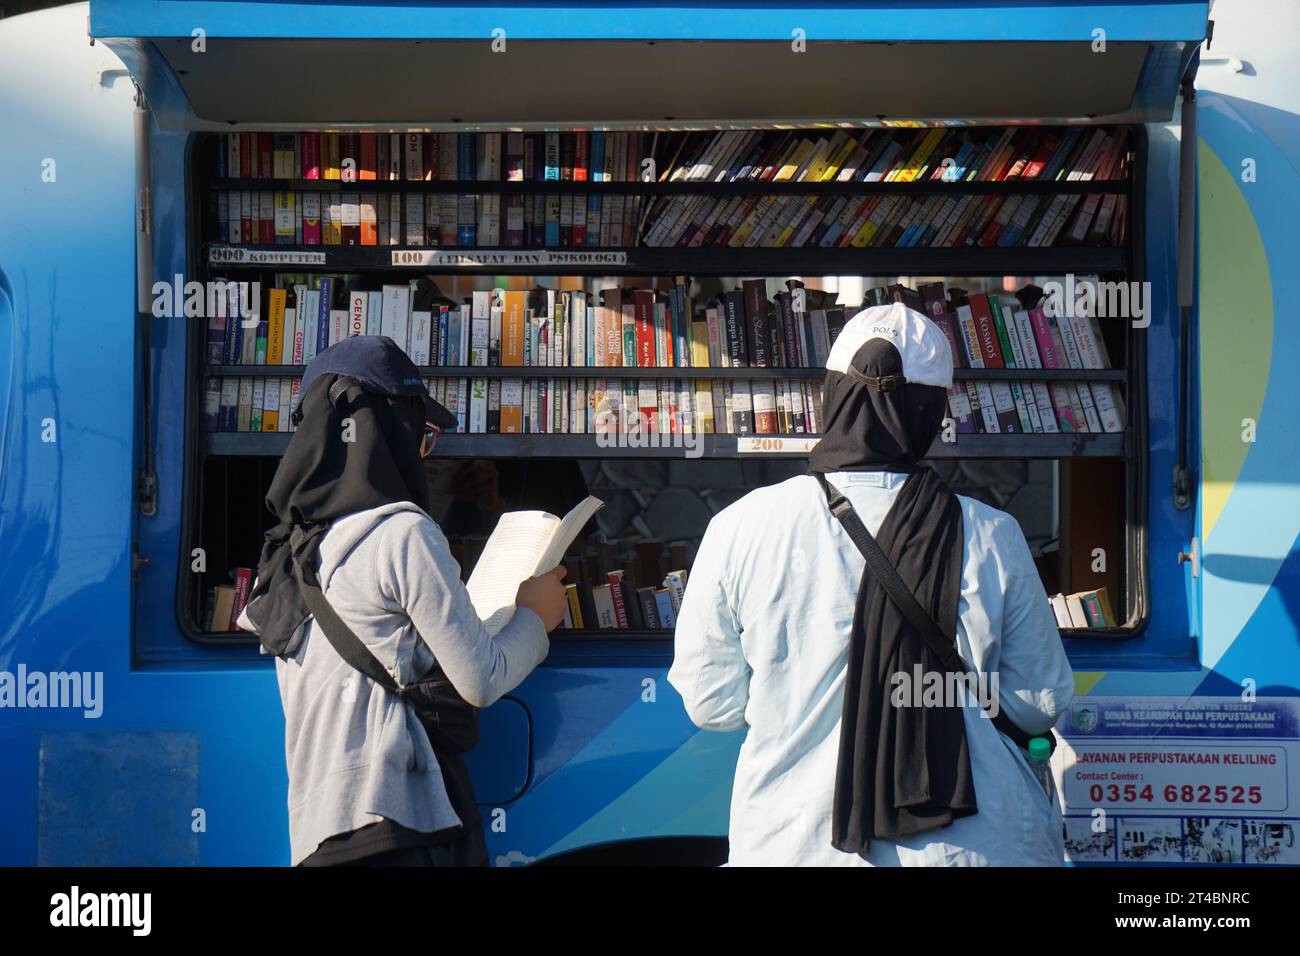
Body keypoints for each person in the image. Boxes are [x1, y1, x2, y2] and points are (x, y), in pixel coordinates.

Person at [669, 301, 1074, 866]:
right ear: (931, 410)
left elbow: (711, 703)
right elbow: (1039, 705)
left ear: (832, 395)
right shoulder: (992, 534)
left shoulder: (740, 527)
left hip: (796, 845)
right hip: (970, 849)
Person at [237, 335, 568, 866]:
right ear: (389, 429)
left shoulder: (289, 550)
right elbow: (479, 680)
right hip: (404, 820)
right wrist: (535, 616)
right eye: (422, 434)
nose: (422, 452)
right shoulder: (403, 532)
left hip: (321, 834)